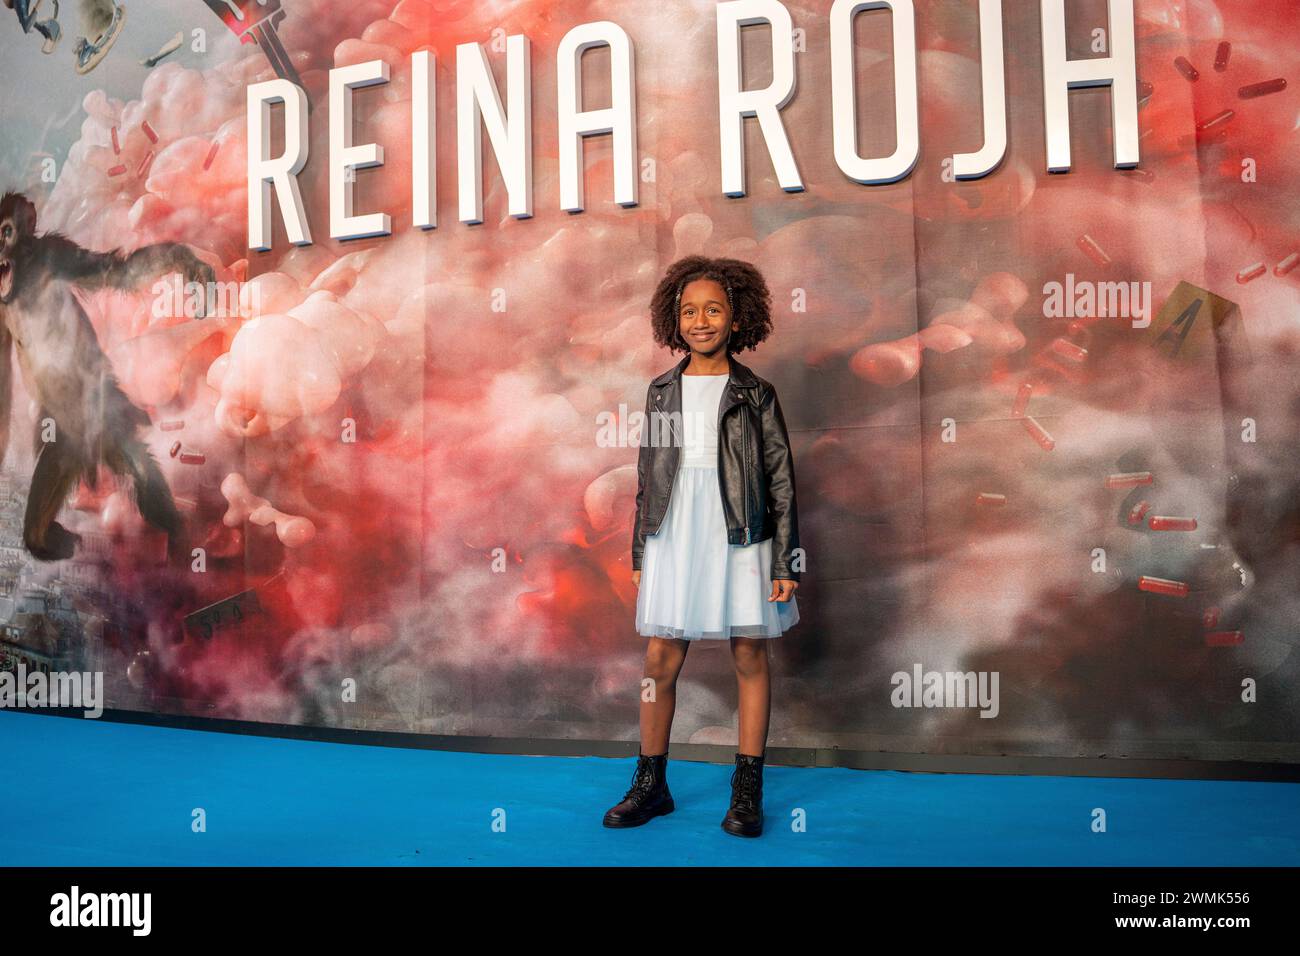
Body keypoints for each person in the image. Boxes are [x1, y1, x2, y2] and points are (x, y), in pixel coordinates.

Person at [603, 255, 802, 838]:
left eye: (713, 309)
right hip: (674, 529)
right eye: (689, 311)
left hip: (739, 527)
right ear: (674, 319)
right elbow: (649, 477)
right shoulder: (661, 392)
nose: (701, 320)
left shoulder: (755, 394)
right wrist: (642, 550)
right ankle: (650, 785)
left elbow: (782, 479)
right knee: (660, 659)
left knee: (748, 653)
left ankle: (746, 792)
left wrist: (785, 558)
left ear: (737, 318)